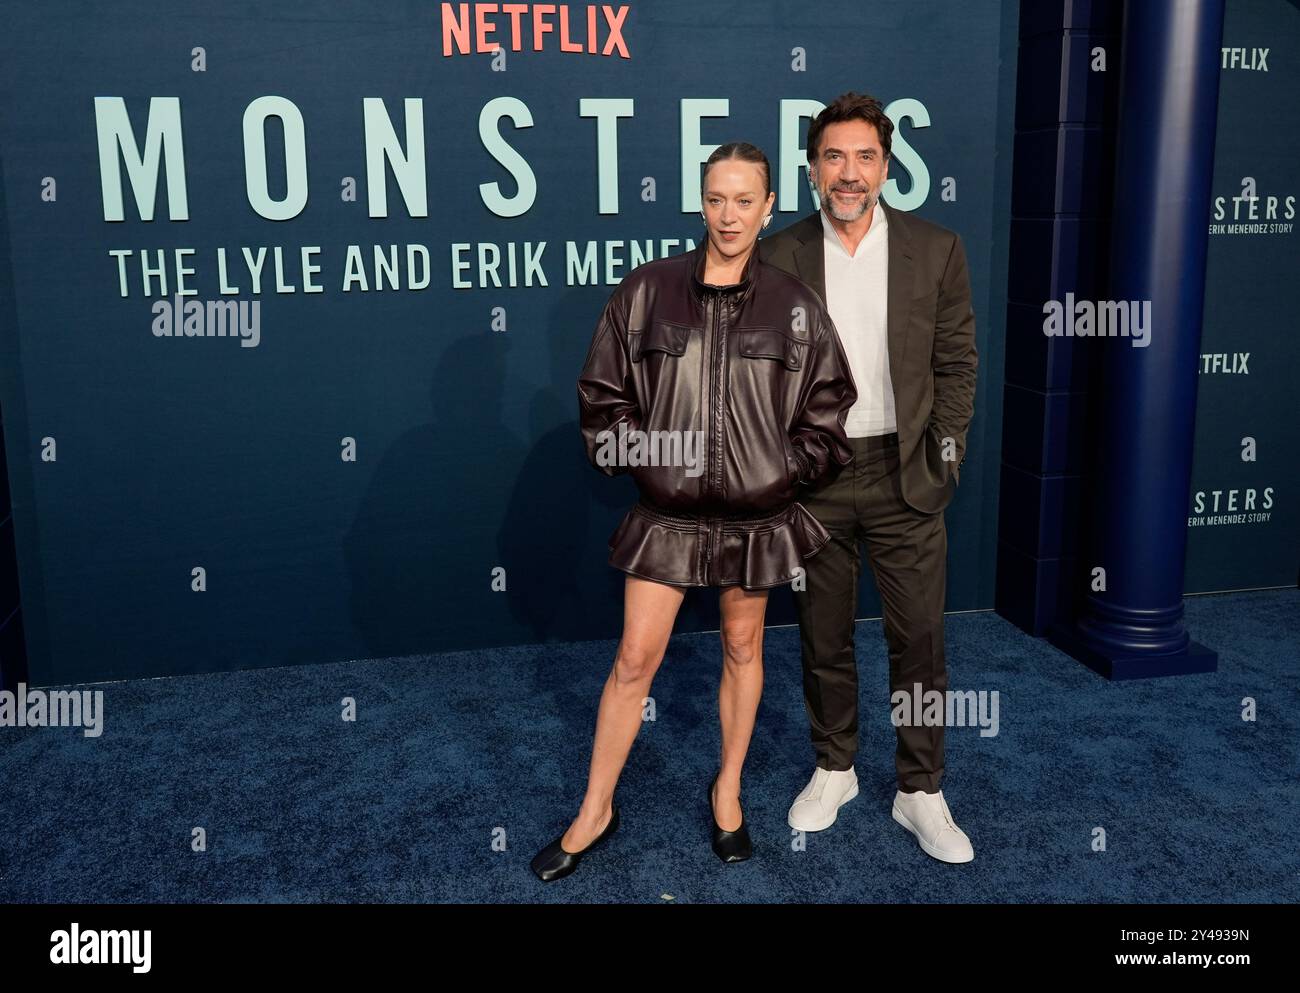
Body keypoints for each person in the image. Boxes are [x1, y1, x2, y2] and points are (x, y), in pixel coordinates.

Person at [530, 141, 857, 882]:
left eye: (746, 200)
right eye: (717, 198)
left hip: (754, 520)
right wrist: (651, 461)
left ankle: (728, 791)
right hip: (668, 515)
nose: (730, 214)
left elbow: (829, 419)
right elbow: (602, 399)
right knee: (634, 658)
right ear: (701, 201)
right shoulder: (646, 293)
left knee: (744, 650)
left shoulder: (796, 308)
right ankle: (595, 808)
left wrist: (775, 470)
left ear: (769, 206)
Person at [759, 92, 979, 863]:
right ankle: (835, 766)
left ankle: (920, 788)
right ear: (814, 168)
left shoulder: (937, 247)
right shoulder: (778, 254)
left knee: (918, 635)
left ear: (887, 165)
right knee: (823, 634)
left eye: (864, 157)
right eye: (833, 157)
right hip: (815, 477)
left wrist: (942, 454)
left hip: (905, 472)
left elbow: (956, 362)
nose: (848, 174)